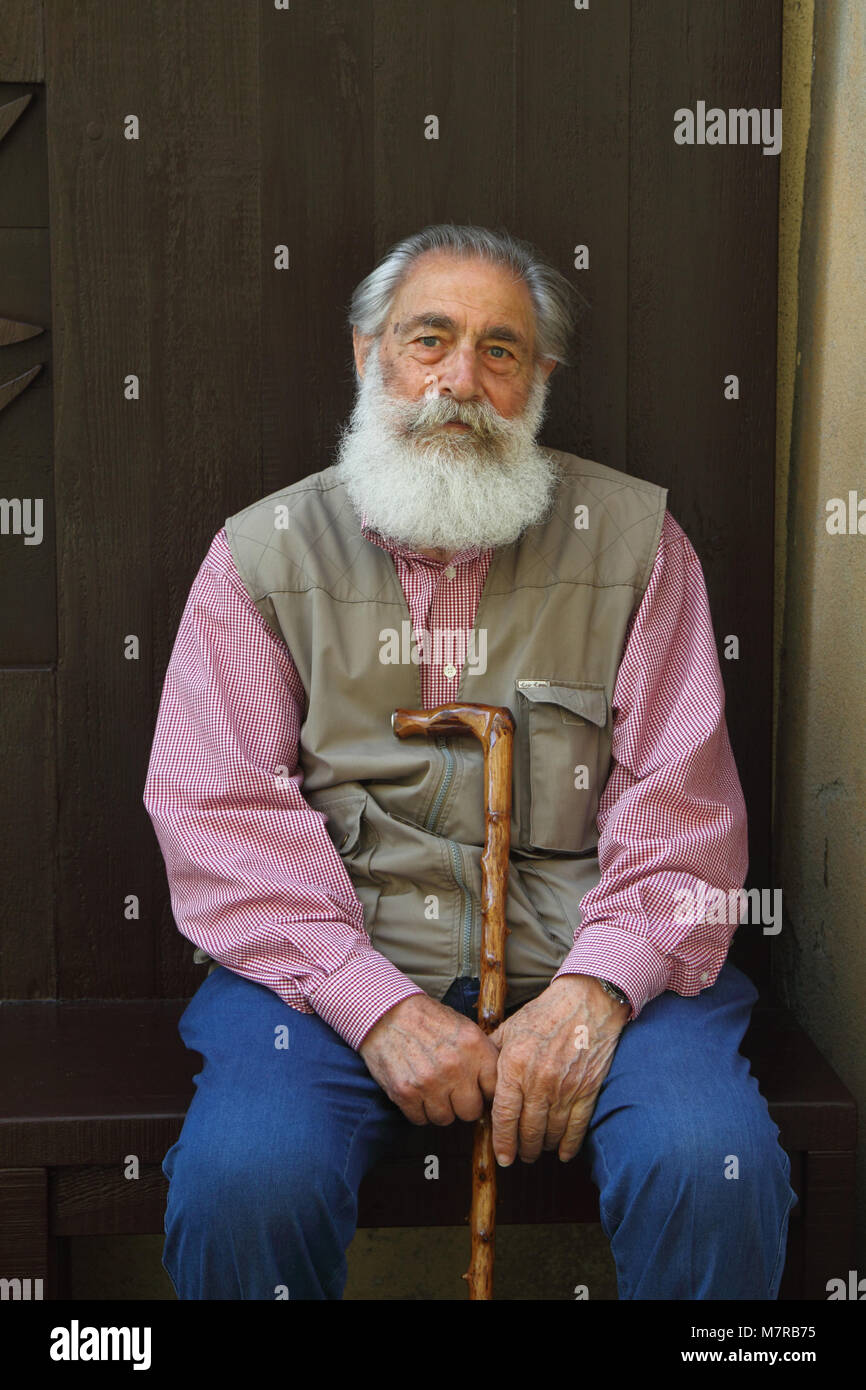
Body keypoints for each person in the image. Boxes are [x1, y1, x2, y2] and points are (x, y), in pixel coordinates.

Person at [143, 223, 797, 1300]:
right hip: (330, 973)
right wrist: (376, 1005)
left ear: (537, 380)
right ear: (367, 356)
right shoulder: (261, 555)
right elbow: (219, 812)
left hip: (591, 955)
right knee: (244, 1181)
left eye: (499, 351)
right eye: (428, 338)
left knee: (707, 1169)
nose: (458, 380)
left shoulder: (632, 542)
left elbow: (681, 818)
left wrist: (593, 991)